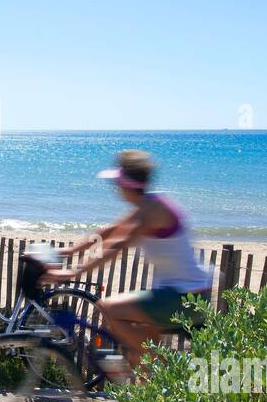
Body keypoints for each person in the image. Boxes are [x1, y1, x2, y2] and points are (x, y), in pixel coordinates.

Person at [41, 149, 213, 373]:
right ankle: (147, 384)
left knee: (108, 309)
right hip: (181, 292)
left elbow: (117, 245)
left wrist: (73, 272)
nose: (115, 188)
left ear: (126, 184)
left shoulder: (150, 211)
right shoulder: (149, 203)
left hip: (183, 297)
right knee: (141, 357)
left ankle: (166, 368)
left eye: (117, 184)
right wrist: (70, 251)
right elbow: (110, 230)